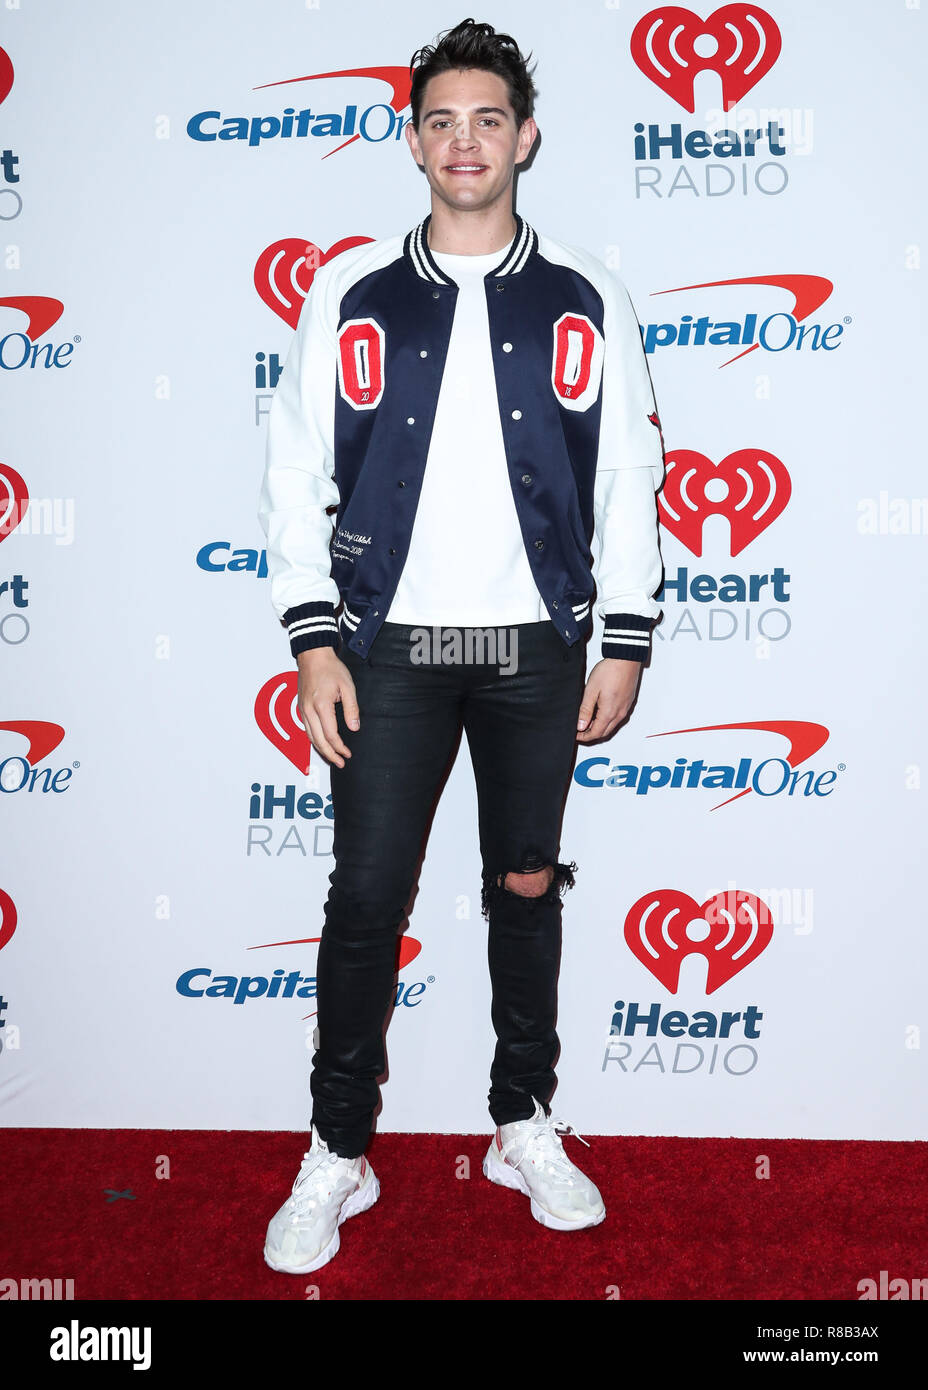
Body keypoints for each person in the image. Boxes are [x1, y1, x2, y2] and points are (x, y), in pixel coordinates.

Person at [257, 17, 665, 1274]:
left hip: (538, 646)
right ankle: (340, 1147)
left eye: (488, 117)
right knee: (365, 898)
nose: (465, 140)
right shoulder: (352, 289)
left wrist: (624, 636)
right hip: (386, 647)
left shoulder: (588, 290)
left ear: (524, 135)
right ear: (413, 140)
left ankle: (522, 1118)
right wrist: (313, 642)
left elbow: (631, 480)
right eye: (440, 119)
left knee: (526, 887)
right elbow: (292, 476)